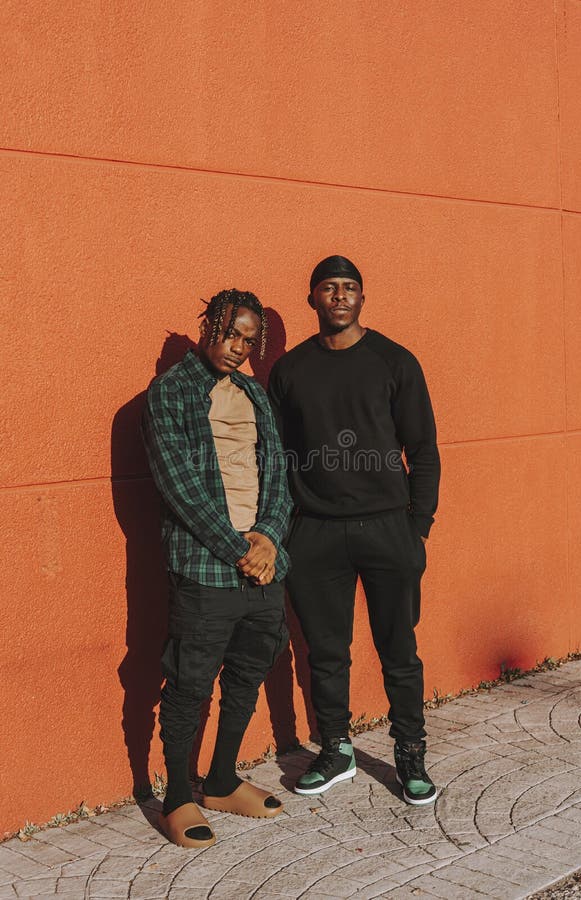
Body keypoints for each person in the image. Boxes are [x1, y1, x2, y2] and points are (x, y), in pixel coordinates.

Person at [268, 256, 441, 805]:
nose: (339, 296)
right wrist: (288, 528)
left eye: (349, 288)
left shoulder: (395, 361)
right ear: (312, 300)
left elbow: (423, 449)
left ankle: (409, 753)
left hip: (388, 528)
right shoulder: (290, 370)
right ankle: (336, 749)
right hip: (315, 531)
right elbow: (277, 455)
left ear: (362, 297)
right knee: (325, 651)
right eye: (328, 288)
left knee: (399, 650)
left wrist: (418, 526)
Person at [142, 289, 292, 848]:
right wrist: (241, 549)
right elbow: (179, 487)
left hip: (262, 567)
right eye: (231, 333)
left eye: (250, 340)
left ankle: (223, 778)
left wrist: (271, 539)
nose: (238, 348)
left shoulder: (255, 394)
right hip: (206, 568)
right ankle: (179, 794)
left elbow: (278, 471)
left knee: (248, 673)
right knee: (188, 684)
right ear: (209, 325)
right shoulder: (170, 393)